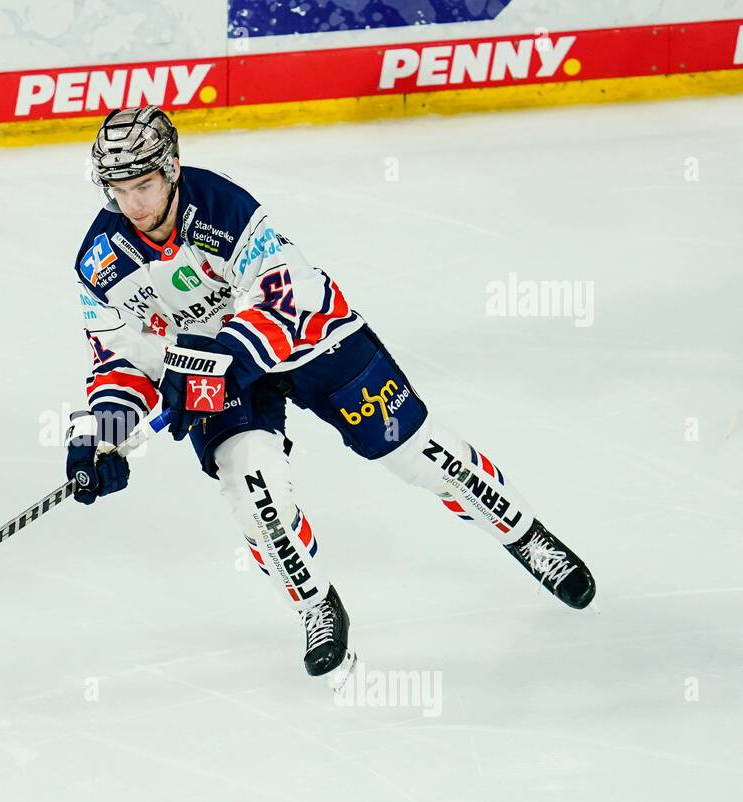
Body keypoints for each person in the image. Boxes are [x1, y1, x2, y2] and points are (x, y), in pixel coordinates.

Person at [64, 106, 595, 689]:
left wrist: (228, 365)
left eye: (144, 184)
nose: (135, 203)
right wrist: (104, 435)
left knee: (420, 453)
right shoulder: (101, 258)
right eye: (120, 188)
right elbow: (118, 355)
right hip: (211, 371)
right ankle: (315, 604)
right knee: (252, 489)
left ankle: (526, 535)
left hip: (311, 341)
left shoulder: (222, 208)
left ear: (171, 170)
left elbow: (289, 295)